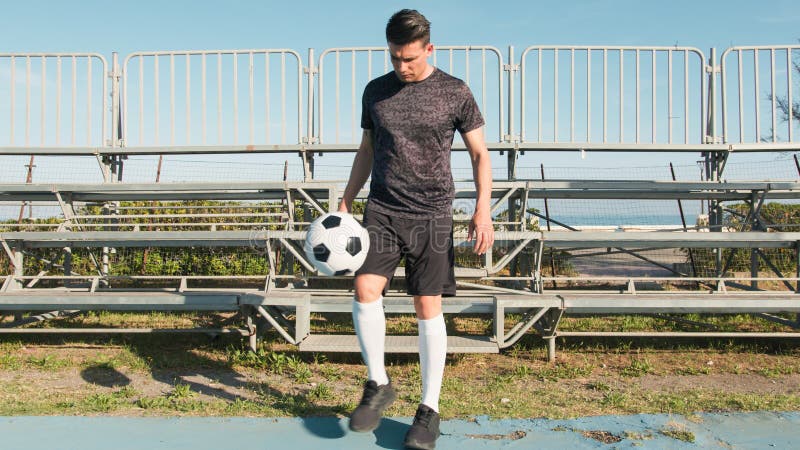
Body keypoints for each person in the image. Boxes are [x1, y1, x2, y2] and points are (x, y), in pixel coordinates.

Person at [337, 9, 494, 450]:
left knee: (428, 306)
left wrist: (482, 210)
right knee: (364, 290)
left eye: (408, 58)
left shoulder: (455, 91)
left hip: (432, 213)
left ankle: (429, 409)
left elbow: (480, 155)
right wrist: (347, 200)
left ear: (429, 48)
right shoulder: (376, 92)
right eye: (394, 58)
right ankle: (378, 383)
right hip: (383, 208)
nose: (401, 67)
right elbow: (366, 149)